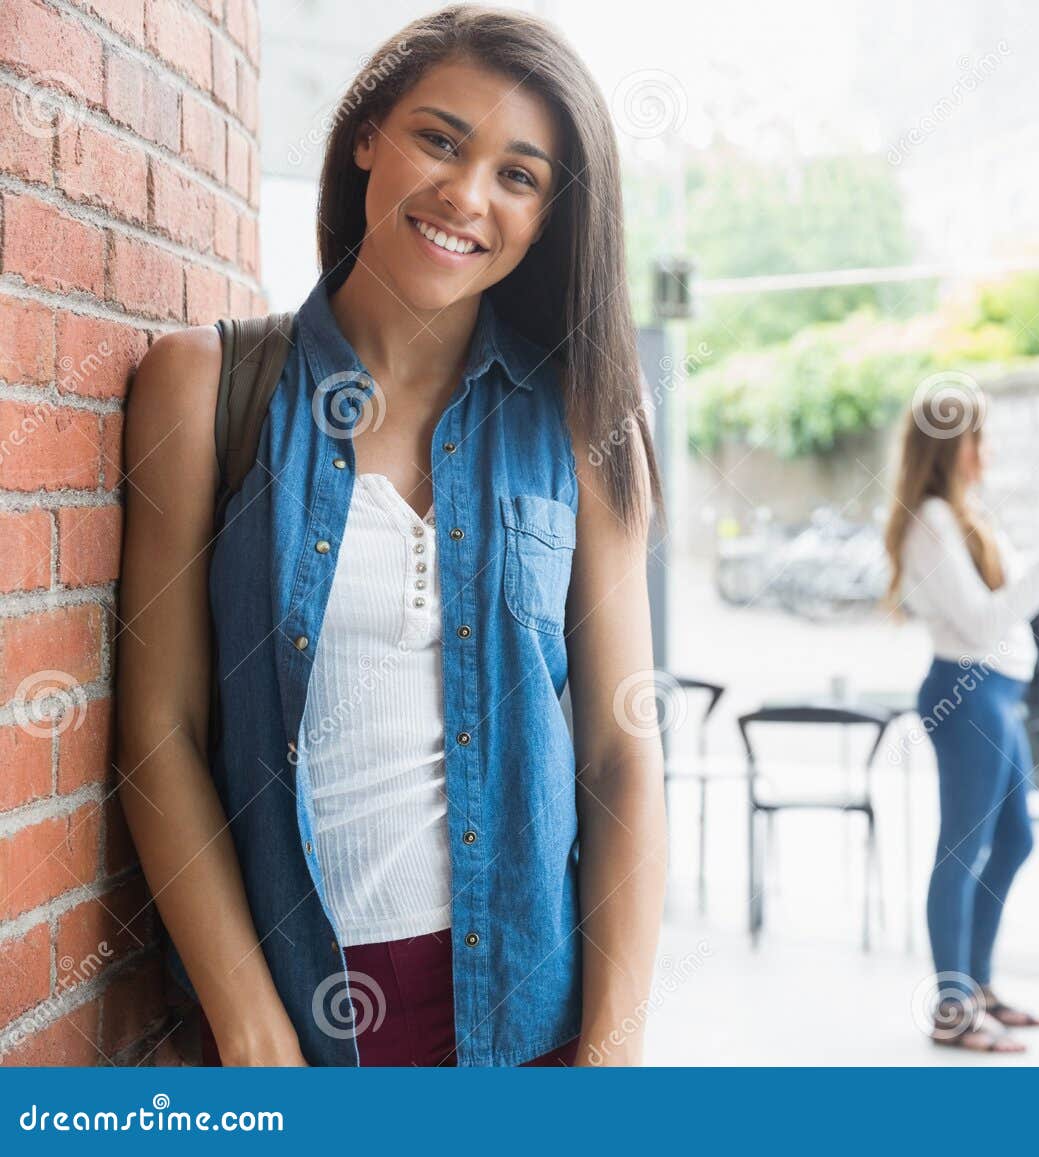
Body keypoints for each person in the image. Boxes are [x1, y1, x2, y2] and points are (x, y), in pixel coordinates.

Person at [115, 5, 667, 1067]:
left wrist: (612, 1053)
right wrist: (250, 1023)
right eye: (441, 138)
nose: (466, 195)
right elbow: (161, 730)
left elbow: (619, 750)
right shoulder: (208, 389)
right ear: (367, 133)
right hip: (291, 1022)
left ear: (550, 215)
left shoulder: (586, 417)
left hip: (532, 1025)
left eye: (519, 174)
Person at [884, 384, 1039, 1053]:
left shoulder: (963, 514)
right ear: (952, 447)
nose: (988, 450)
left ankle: (974, 985)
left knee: (1014, 840)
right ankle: (953, 1005)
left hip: (996, 696)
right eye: (979, 437)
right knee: (962, 848)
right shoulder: (930, 522)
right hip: (967, 693)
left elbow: (998, 600)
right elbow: (983, 619)